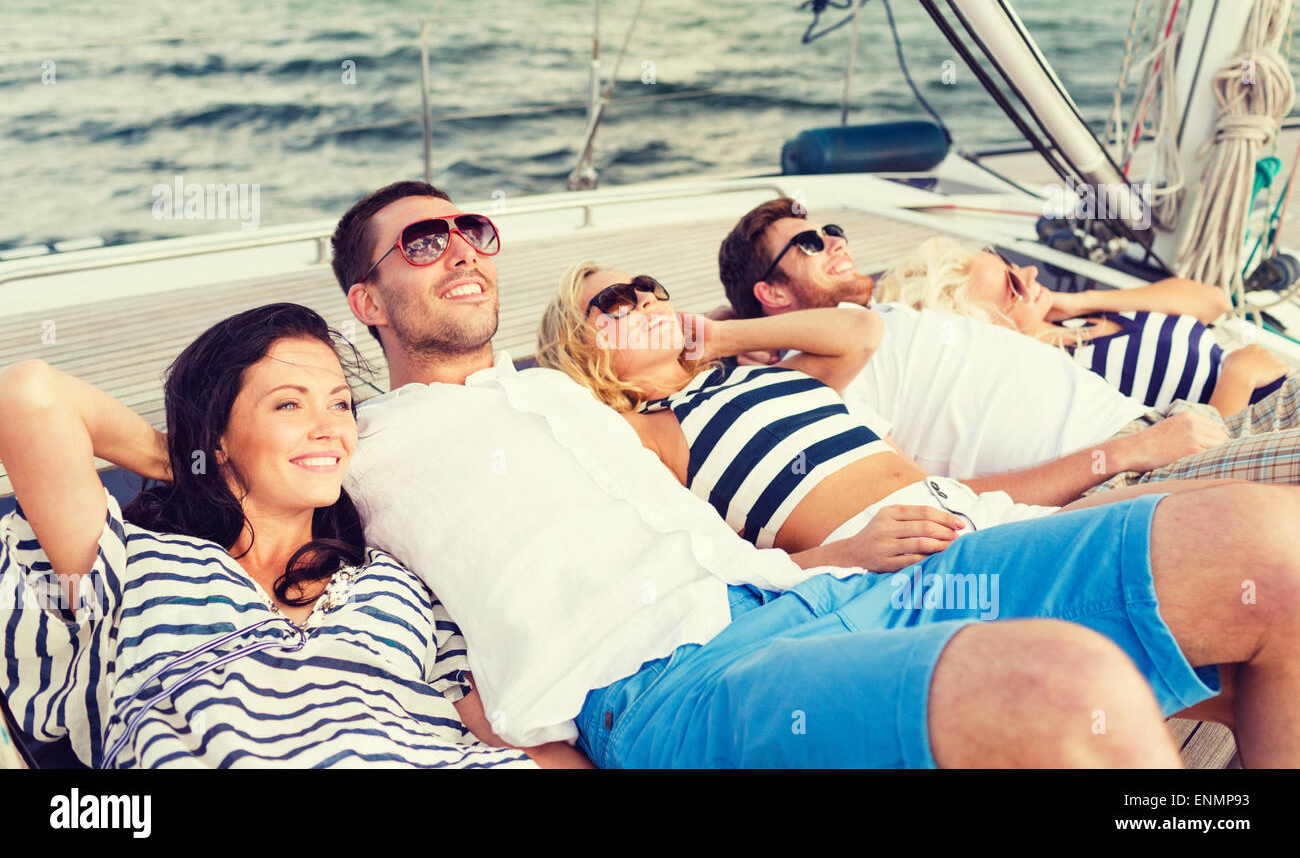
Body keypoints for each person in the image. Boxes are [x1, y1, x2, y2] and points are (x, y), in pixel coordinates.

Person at [333, 178, 1300, 768]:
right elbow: (223, 486)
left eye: (475, 231)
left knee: (1265, 545)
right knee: (1060, 686)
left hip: (819, 591)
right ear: (365, 297)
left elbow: (848, 341)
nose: (460, 247)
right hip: (678, 684)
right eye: (426, 241)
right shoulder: (359, 443)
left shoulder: (562, 401)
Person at [0, 303, 582, 768]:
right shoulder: (135, 565)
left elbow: (499, 733)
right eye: (288, 405)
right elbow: (29, 394)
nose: (329, 427)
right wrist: (186, 455)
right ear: (219, 432)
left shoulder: (398, 580)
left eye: (340, 403)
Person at [718, 197, 1300, 501]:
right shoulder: (819, 393)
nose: (836, 243)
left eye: (834, 232)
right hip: (1131, 468)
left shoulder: (885, 320)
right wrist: (1127, 455)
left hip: (1167, 429)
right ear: (770, 291)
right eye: (810, 244)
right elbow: (932, 500)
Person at [536, 261, 1068, 568]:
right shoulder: (642, 432)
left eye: (650, 288)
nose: (647, 301)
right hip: (892, 557)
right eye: (617, 300)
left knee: (1152, 523)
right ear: (580, 347)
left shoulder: (755, 377)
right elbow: (709, 570)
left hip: (971, 511)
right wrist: (845, 555)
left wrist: (718, 336)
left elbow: (861, 334)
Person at [874, 234, 1291, 416]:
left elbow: (1212, 301)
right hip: (1266, 428)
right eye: (1013, 284)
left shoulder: (1078, 316)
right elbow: (1185, 462)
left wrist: (1081, 300)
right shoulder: (1064, 381)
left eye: (1011, 264)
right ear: (985, 326)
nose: (1032, 272)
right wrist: (1237, 377)